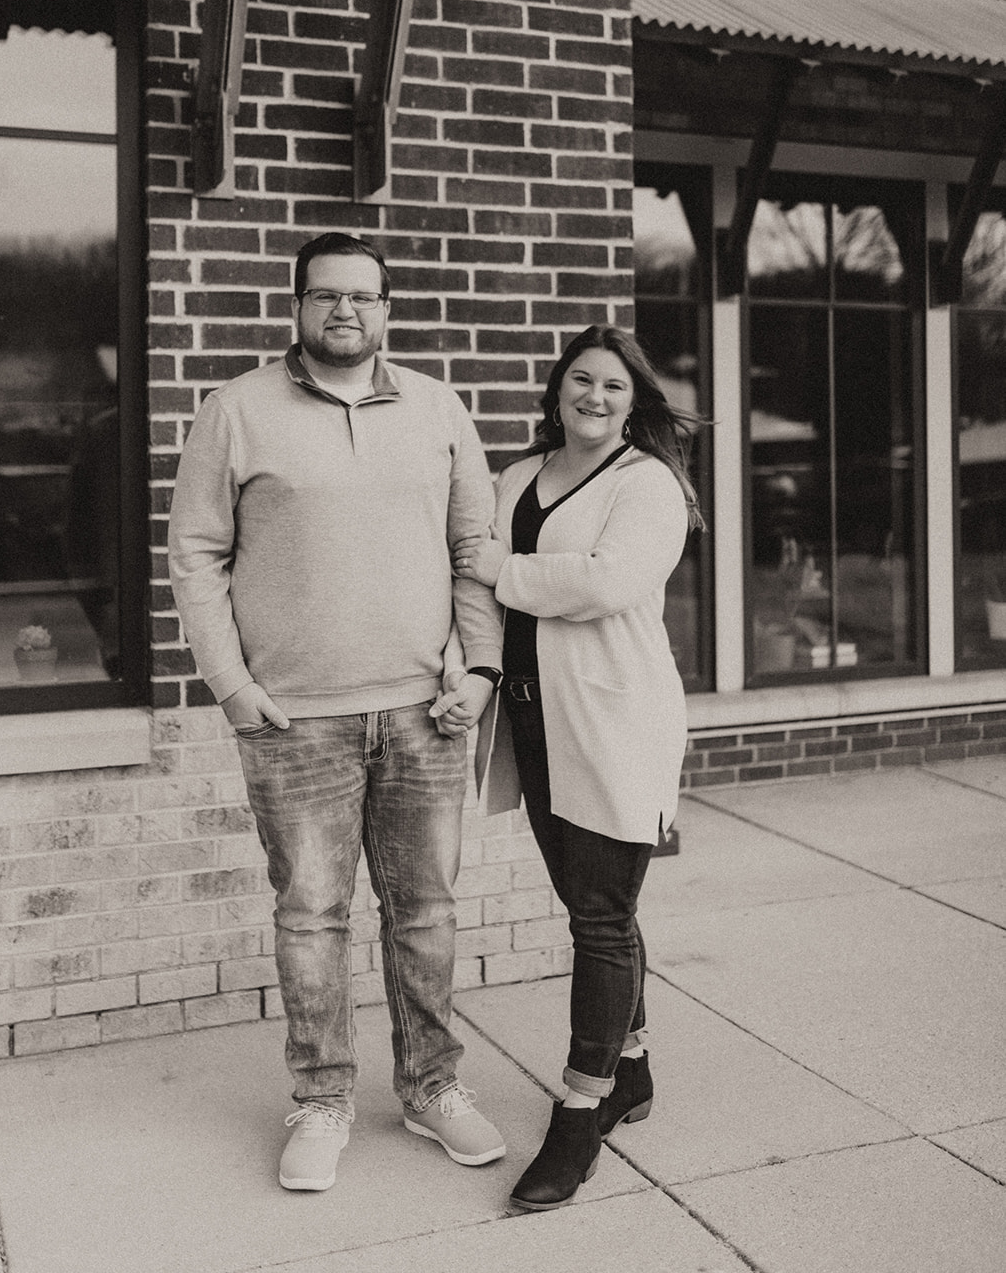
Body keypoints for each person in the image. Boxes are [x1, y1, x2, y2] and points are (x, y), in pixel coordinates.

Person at [168, 232, 505, 1193]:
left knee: (426, 914)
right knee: (311, 916)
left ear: (387, 309)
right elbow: (195, 555)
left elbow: (472, 546)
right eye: (325, 297)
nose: (344, 312)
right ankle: (321, 1101)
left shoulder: (439, 408)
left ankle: (433, 1087)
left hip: (425, 713)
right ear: (297, 308)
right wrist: (233, 686)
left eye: (362, 297)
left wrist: (478, 670)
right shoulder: (235, 410)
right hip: (294, 720)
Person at [452, 324, 703, 1212]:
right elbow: (472, 586)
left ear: (634, 403)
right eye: (580, 381)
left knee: (599, 919)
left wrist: (498, 566)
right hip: (534, 723)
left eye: (612, 387)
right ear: (556, 389)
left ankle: (579, 1109)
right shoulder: (516, 476)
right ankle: (628, 1069)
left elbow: (601, 584)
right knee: (594, 907)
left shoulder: (650, 488)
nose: (593, 397)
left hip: (613, 720)